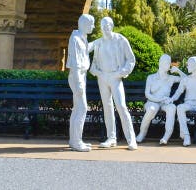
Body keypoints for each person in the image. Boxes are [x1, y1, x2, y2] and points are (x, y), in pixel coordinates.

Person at [89, 16, 137, 150]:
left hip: (116, 77)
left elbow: (131, 59)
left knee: (121, 106)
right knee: (107, 108)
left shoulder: (120, 40)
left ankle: (131, 139)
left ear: (112, 26)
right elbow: (93, 63)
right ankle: (111, 138)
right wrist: (97, 72)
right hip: (102, 77)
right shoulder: (98, 43)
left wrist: (121, 72)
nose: (104, 28)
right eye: (102, 26)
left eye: (107, 26)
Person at [136, 54, 185, 144]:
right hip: (152, 102)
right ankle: (142, 133)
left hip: (165, 103)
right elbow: (147, 94)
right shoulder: (151, 77)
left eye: (169, 63)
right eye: (166, 62)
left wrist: (178, 71)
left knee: (172, 107)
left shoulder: (171, 78)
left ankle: (166, 136)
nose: (169, 65)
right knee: (151, 109)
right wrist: (159, 99)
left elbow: (186, 79)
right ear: (160, 63)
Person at [66, 14, 94, 152]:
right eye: (91, 24)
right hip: (77, 76)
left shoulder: (82, 38)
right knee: (82, 108)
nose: (93, 27)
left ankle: (74, 140)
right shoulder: (76, 39)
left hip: (80, 76)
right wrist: (79, 83)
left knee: (77, 109)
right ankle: (77, 142)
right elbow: (76, 63)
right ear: (84, 24)